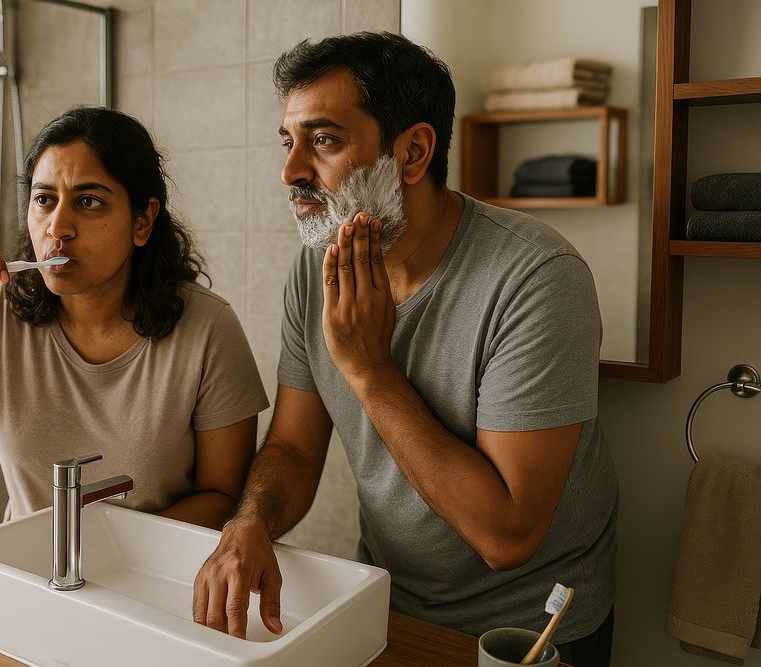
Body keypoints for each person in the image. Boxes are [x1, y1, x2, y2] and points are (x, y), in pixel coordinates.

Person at [192, 32, 617, 667]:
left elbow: (508, 534)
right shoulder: (316, 271)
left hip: (529, 634)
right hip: (385, 600)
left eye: (325, 140)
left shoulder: (536, 277)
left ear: (413, 152)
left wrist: (369, 370)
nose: (291, 171)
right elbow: (292, 448)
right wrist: (249, 523)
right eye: (289, 141)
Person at [0, 106, 269, 528]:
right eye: (44, 199)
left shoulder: (208, 328)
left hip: (149, 580)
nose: (58, 227)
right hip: (26, 577)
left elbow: (223, 498)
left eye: (88, 201)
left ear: (143, 220)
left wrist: (100, 557)